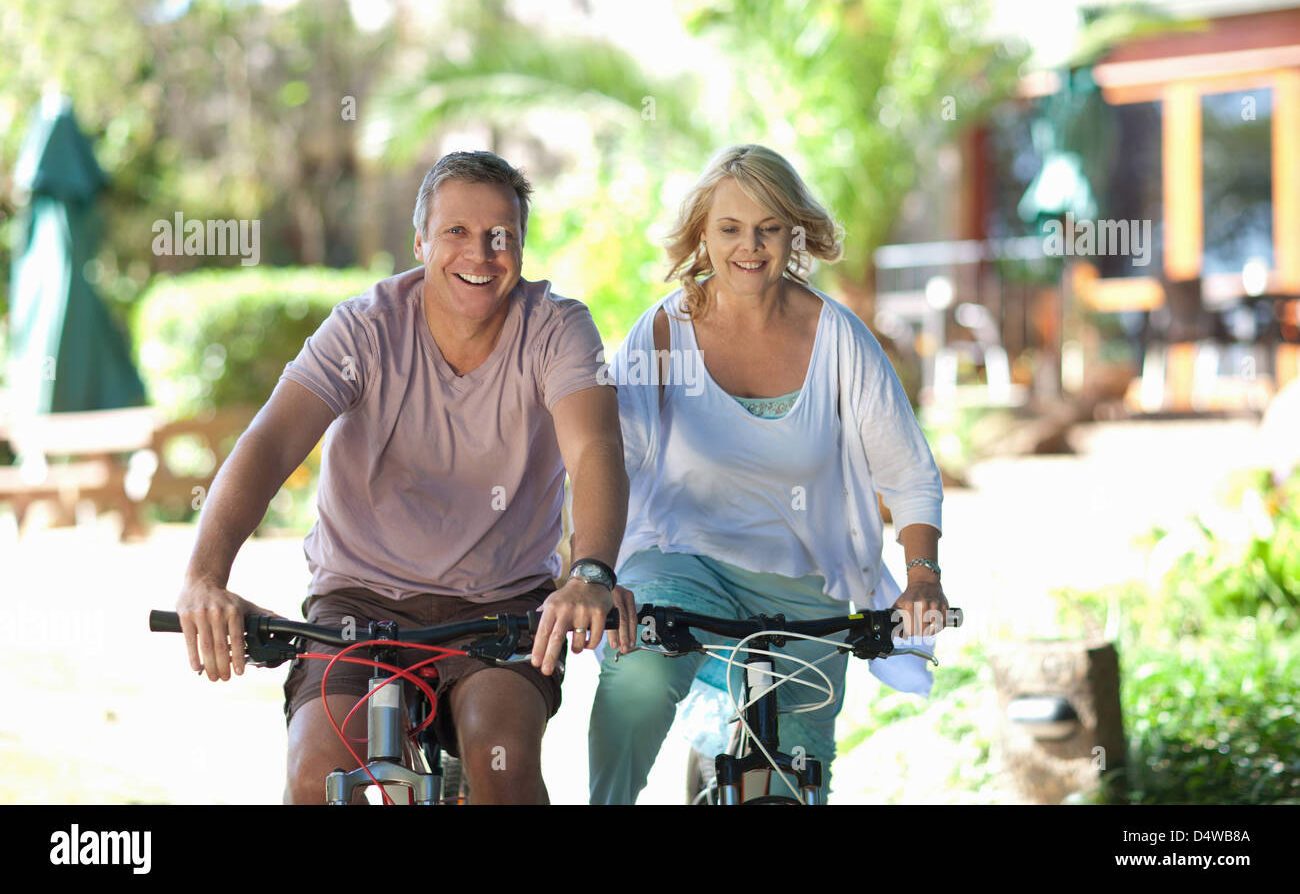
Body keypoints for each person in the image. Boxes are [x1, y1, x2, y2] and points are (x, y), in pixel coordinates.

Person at [173, 150, 636, 804]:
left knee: (500, 768)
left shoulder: (556, 328)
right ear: (420, 241)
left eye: (500, 235)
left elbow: (594, 448)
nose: (480, 252)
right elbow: (271, 444)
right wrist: (203, 578)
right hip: (358, 603)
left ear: (523, 248)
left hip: (498, 610)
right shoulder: (364, 328)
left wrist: (590, 573)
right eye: (457, 232)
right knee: (316, 776)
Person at [589, 144, 949, 804]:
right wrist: (590, 572)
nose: (748, 247)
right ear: (703, 232)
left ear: (795, 232)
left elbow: (907, 472)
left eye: (768, 228)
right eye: (730, 228)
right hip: (681, 563)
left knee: (792, 783)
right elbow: (608, 461)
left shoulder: (839, 338)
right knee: (638, 678)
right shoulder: (663, 334)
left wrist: (922, 579)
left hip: (803, 585)